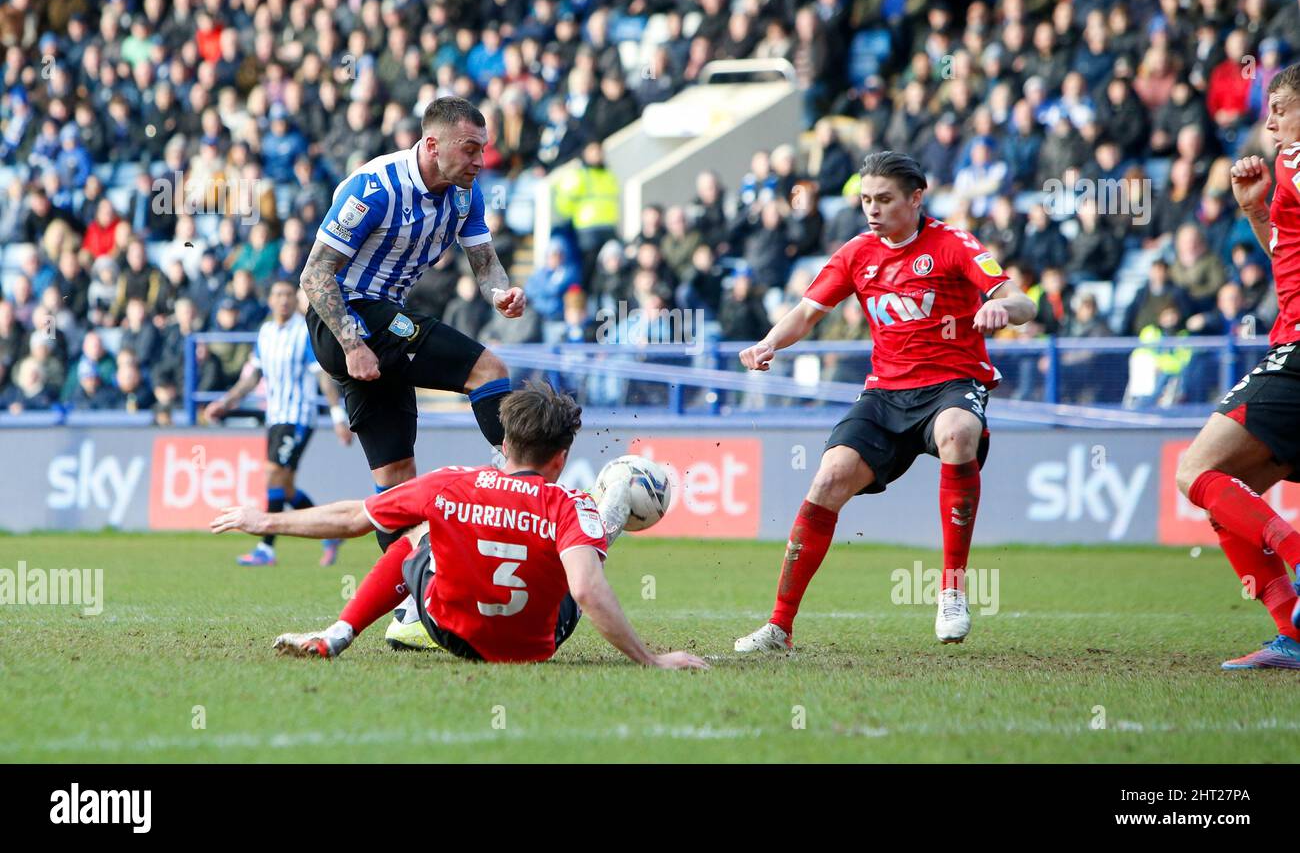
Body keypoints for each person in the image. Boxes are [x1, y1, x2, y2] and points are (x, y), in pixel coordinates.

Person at [731, 151, 1034, 653]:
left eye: (884, 199)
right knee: (828, 478)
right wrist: (768, 344)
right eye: (866, 199)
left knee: (957, 432)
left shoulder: (953, 244)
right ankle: (779, 627)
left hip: (952, 383)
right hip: (885, 393)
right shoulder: (856, 252)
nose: (872, 209)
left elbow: (1022, 300)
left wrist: (1001, 305)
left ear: (915, 198)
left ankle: (952, 592)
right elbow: (807, 313)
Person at [211, 379, 708, 670]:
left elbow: (353, 519)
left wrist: (264, 519)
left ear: (505, 444)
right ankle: (610, 516)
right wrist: (651, 660)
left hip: (451, 631)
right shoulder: (566, 501)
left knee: (419, 537)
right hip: (535, 645)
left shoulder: (450, 483)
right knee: (576, 544)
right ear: (561, 458)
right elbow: (586, 592)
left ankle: (339, 634)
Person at [300, 96, 526, 644]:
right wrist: (352, 343)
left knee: (396, 483)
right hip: (348, 318)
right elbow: (314, 274)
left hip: (384, 333)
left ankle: (410, 614)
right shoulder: (373, 189)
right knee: (487, 368)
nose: (479, 160)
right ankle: (518, 485)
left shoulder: (466, 193)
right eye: (469, 148)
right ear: (432, 145)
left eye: (483, 149)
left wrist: (503, 293)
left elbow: (483, 262)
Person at [1175, 62, 1300, 669]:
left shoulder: (1294, 160)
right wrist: (1256, 212)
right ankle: (1293, 637)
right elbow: (1288, 254)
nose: (1270, 119)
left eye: (1281, 107)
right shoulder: (1283, 177)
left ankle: (1296, 553)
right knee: (1232, 493)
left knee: (1196, 471)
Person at [204, 280, 354, 567]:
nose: (283, 299)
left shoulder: (304, 331)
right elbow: (252, 378)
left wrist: (338, 416)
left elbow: (322, 376)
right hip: (275, 418)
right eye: (277, 294)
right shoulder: (265, 332)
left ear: (294, 299)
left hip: (298, 417)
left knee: (272, 475)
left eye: (288, 294)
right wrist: (226, 402)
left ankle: (266, 548)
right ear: (270, 300)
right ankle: (332, 532)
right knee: (284, 489)